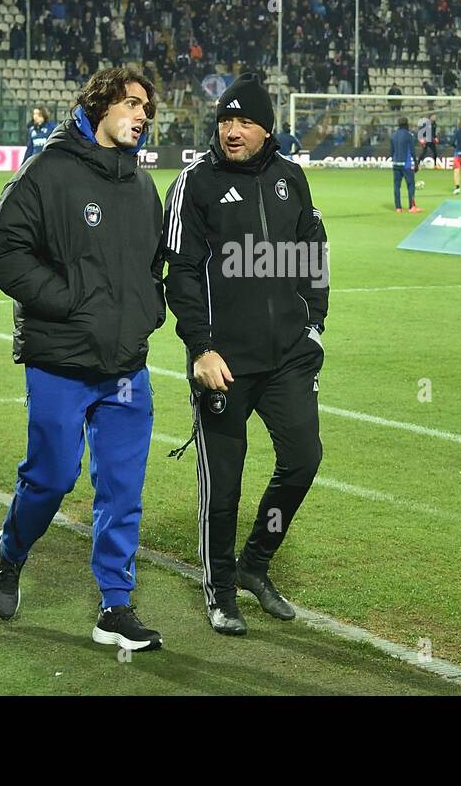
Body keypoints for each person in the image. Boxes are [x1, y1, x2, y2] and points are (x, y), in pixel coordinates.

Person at [0, 67, 166, 652]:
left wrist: (147, 311)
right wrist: (68, 302)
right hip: (60, 359)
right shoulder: (48, 171)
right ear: (101, 102)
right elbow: (2, 252)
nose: (140, 116)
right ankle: (10, 552)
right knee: (53, 476)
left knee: (122, 488)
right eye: (132, 104)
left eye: (147, 111)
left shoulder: (141, 185)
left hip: (126, 369)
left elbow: (151, 266)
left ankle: (115, 605)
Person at [160, 73, 329, 636]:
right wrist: (200, 349)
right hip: (223, 365)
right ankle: (220, 590)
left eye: (244, 122)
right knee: (224, 484)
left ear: (266, 128)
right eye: (225, 121)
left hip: (286, 358)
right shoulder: (194, 183)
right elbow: (180, 271)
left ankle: (255, 564)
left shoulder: (291, 179)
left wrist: (316, 325)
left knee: (302, 460)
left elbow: (313, 250)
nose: (232, 132)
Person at [390, 117, 422, 213]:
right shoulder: (409, 136)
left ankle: (398, 207)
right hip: (406, 164)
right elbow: (412, 151)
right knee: (411, 184)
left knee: (396, 186)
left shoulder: (393, 135)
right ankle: (412, 207)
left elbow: (391, 152)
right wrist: (416, 164)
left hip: (396, 163)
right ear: (406, 124)